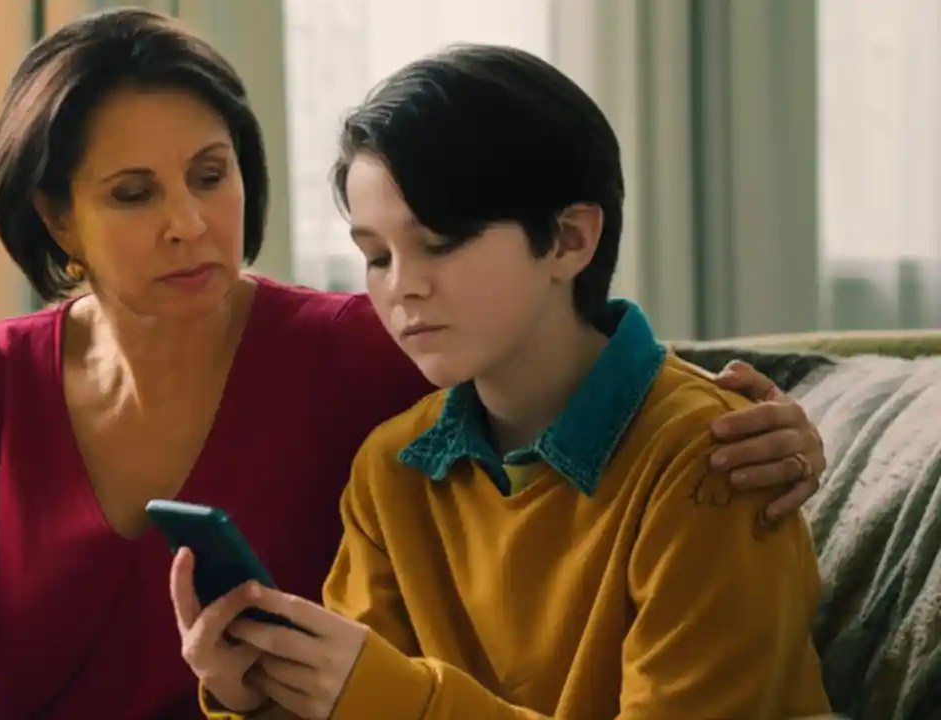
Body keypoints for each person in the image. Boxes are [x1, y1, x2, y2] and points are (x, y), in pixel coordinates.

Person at [0, 11, 826, 720]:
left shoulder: (372, 351)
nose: (187, 224)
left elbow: (572, 357)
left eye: (210, 176)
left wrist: (784, 416)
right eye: (130, 193)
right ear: (54, 219)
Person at [175, 43, 833, 720]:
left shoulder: (718, 458)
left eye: (440, 241)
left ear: (569, 239)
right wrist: (257, 700)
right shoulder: (393, 470)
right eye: (375, 256)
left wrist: (398, 700)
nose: (402, 286)